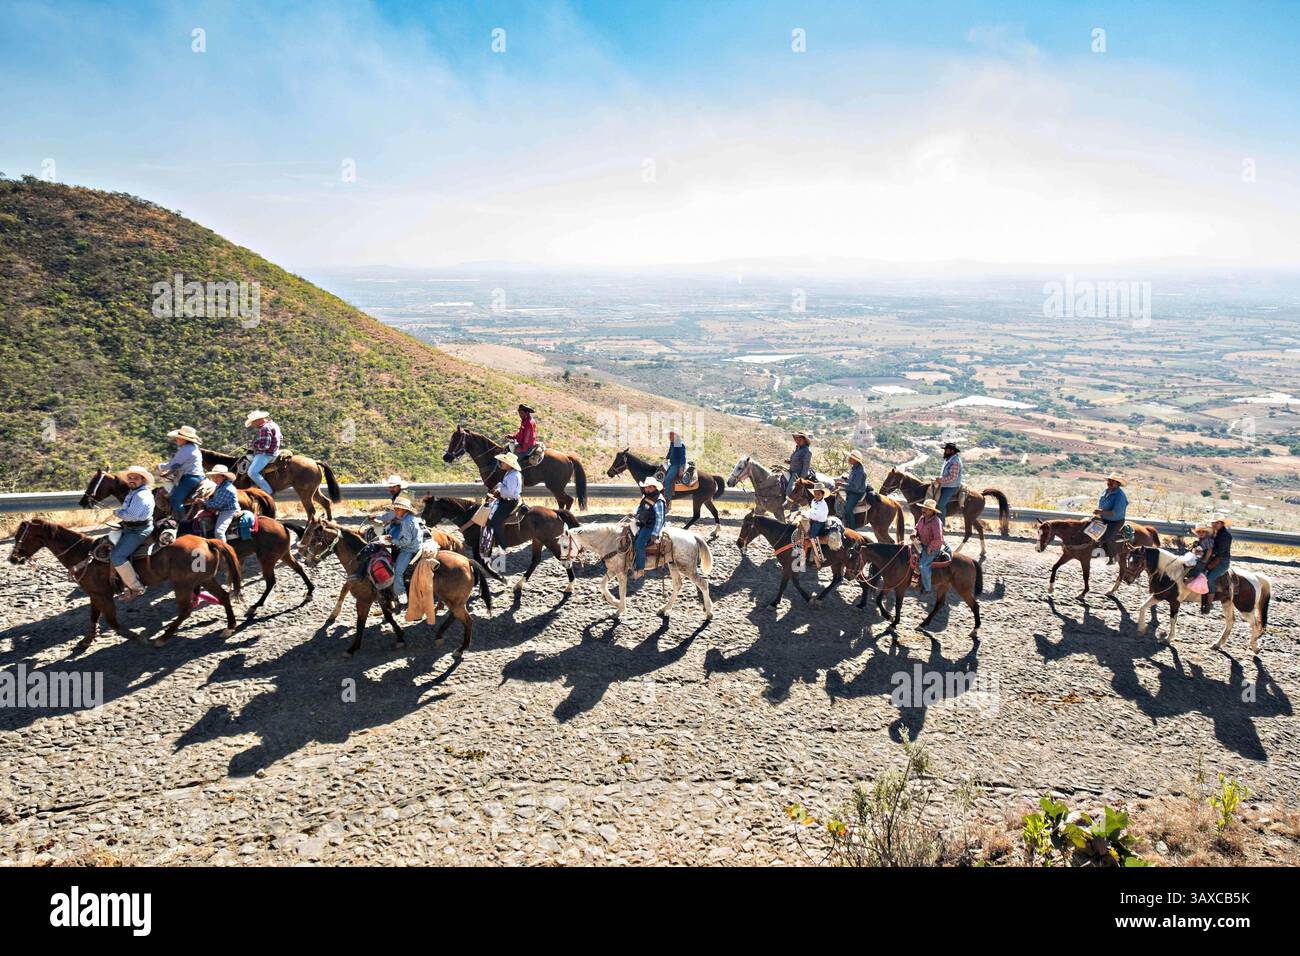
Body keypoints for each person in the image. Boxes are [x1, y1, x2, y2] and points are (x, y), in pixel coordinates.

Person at [110, 466, 155, 600]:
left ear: (143, 479)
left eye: (135, 478)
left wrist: (117, 512)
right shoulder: (134, 492)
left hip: (138, 529)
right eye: (130, 478)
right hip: (132, 527)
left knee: (117, 556)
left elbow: (131, 516)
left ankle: (136, 587)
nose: (131, 480)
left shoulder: (140, 495)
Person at [159, 425, 205, 533]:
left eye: (178, 437)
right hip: (195, 475)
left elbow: (174, 464)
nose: (176, 439)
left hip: (191, 477)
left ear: (184, 439)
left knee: (175, 499)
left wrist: (160, 466)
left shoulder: (186, 450)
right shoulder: (192, 448)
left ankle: (181, 523)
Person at [484, 452, 522, 560]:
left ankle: (503, 546)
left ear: (509, 464)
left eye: (503, 462)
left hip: (509, 501)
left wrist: (499, 490)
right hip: (508, 500)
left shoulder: (512, 476)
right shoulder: (511, 473)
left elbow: (509, 492)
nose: (501, 463)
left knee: (495, 522)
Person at [386, 497, 422, 607]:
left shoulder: (406, 522)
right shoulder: (410, 518)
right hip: (416, 544)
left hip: (410, 549)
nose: (396, 511)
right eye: (395, 509)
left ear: (405, 510)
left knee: (397, 572)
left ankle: (401, 596)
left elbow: (406, 541)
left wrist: (393, 541)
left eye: (398, 509)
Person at [633, 477, 666, 578]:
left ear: (654, 487)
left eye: (648, 487)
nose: (646, 489)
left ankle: (640, 568)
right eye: (646, 487)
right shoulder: (646, 497)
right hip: (643, 523)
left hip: (651, 526)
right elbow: (641, 510)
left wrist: (655, 533)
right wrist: (635, 515)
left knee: (639, 544)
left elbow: (660, 519)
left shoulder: (658, 500)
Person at [1201, 513, 1233, 614]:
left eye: (1216, 523)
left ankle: (1209, 603)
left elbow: (1220, 550)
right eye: (1213, 522)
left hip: (1222, 562)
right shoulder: (1214, 533)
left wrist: (1208, 552)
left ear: (1221, 523)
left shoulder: (1226, 536)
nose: (1213, 524)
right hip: (1213, 559)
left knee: (1209, 578)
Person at [244, 410, 282, 496]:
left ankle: (268, 492)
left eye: (253, 422)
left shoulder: (265, 428)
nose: (253, 425)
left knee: (252, 472)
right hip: (274, 451)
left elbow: (265, 446)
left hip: (267, 454)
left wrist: (252, 444)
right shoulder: (273, 424)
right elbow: (280, 438)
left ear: (257, 420)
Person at [912, 498, 945, 595]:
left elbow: (939, 539)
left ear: (932, 511)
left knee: (923, 566)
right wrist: (914, 533)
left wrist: (930, 547)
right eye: (923, 508)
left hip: (932, 547)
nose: (923, 510)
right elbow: (916, 527)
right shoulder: (922, 518)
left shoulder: (936, 522)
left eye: (926, 509)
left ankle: (928, 588)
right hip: (920, 544)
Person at [1094, 472, 1128, 563]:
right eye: (1109, 480)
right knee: (1087, 527)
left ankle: (1114, 556)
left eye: (1113, 481)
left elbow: (1115, 513)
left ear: (1118, 484)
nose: (1110, 482)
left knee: (1109, 537)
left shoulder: (1120, 496)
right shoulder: (1106, 491)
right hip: (1103, 517)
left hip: (1115, 521)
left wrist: (1101, 512)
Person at [205, 465, 241, 540]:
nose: (215, 479)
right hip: (223, 509)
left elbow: (216, 505)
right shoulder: (220, 486)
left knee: (219, 532)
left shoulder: (227, 488)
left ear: (224, 477)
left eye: (217, 477)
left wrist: (203, 502)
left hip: (229, 511)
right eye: (214, 477)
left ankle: (223, 551)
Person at [840, 449, 869, 530]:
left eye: (851, 458)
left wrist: (842, 485)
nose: (849, 459)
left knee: (848, 509)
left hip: (856, 493)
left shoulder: (860, 471)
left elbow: (854, 487)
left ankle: (852, 529)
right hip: (852, 489)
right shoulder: (855, 468)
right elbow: (851, 481)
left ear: (856, 460)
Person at [934, 442, 963, 520]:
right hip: (945, 485)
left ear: (952, 451)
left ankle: (941, 525)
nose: (945, 452)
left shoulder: (955, 461)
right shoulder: (949, 459)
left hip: (951, 487)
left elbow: (952, 477)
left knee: (940, 505)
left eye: (946, 450)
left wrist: (940, 480)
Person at [663, 430, 687, 506]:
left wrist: (681, 468)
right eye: (669, 435)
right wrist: (666, 458)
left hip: (677, 465)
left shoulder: (679, 443)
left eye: (671, 435)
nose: (669, 437)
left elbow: (682, 457)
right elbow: (670, 452)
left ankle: (668, 498)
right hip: (672, 464)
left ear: (676, 435)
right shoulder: (673, 443)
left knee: (668, 479)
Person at [785, 432, 812, 497]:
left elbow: (806, 467)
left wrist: (801, 480)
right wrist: (789, 461)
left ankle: (794, 506)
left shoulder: (807, 451)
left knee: (790, 491)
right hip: (790, 470)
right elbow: (793, 459)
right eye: (797, 439)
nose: (797, 441)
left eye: (800, 439)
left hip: (797, 474)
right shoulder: (797, 449)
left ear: (804, 440)